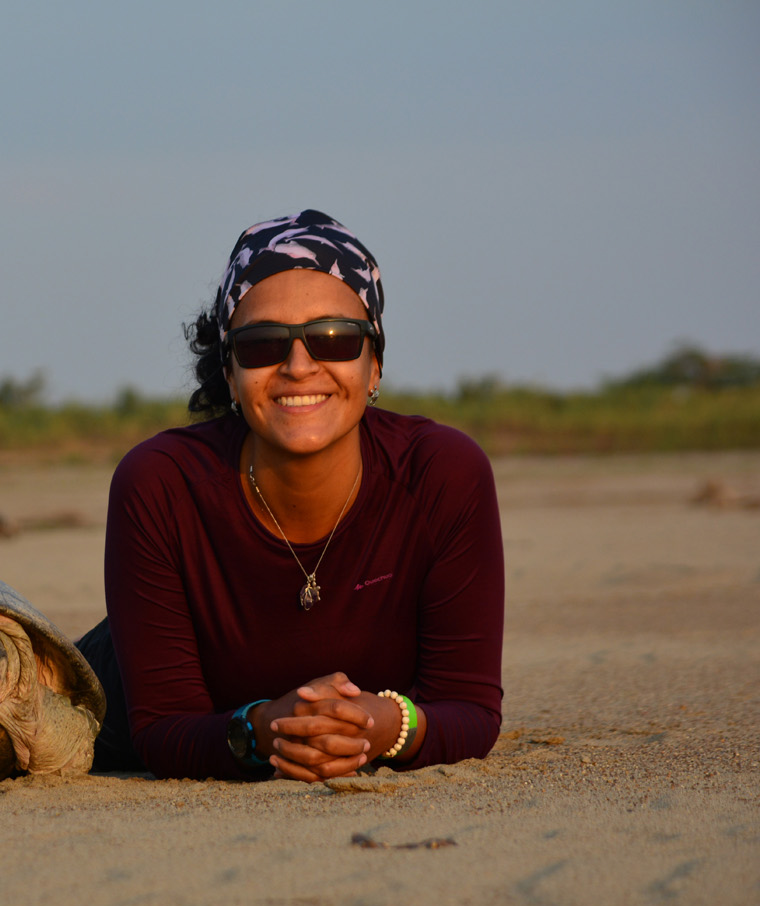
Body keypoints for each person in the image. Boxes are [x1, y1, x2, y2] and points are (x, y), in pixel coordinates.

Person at [77, 210, 504, 781]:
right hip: (99, 716)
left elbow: (470, 709)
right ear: (228, 372)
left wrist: (384, 726)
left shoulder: (442, 475)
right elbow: (160, 729)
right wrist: (264, 730)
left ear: (374, 363)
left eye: (335, 339)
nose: (299, 366)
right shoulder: (162, 485)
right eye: (261, 345)